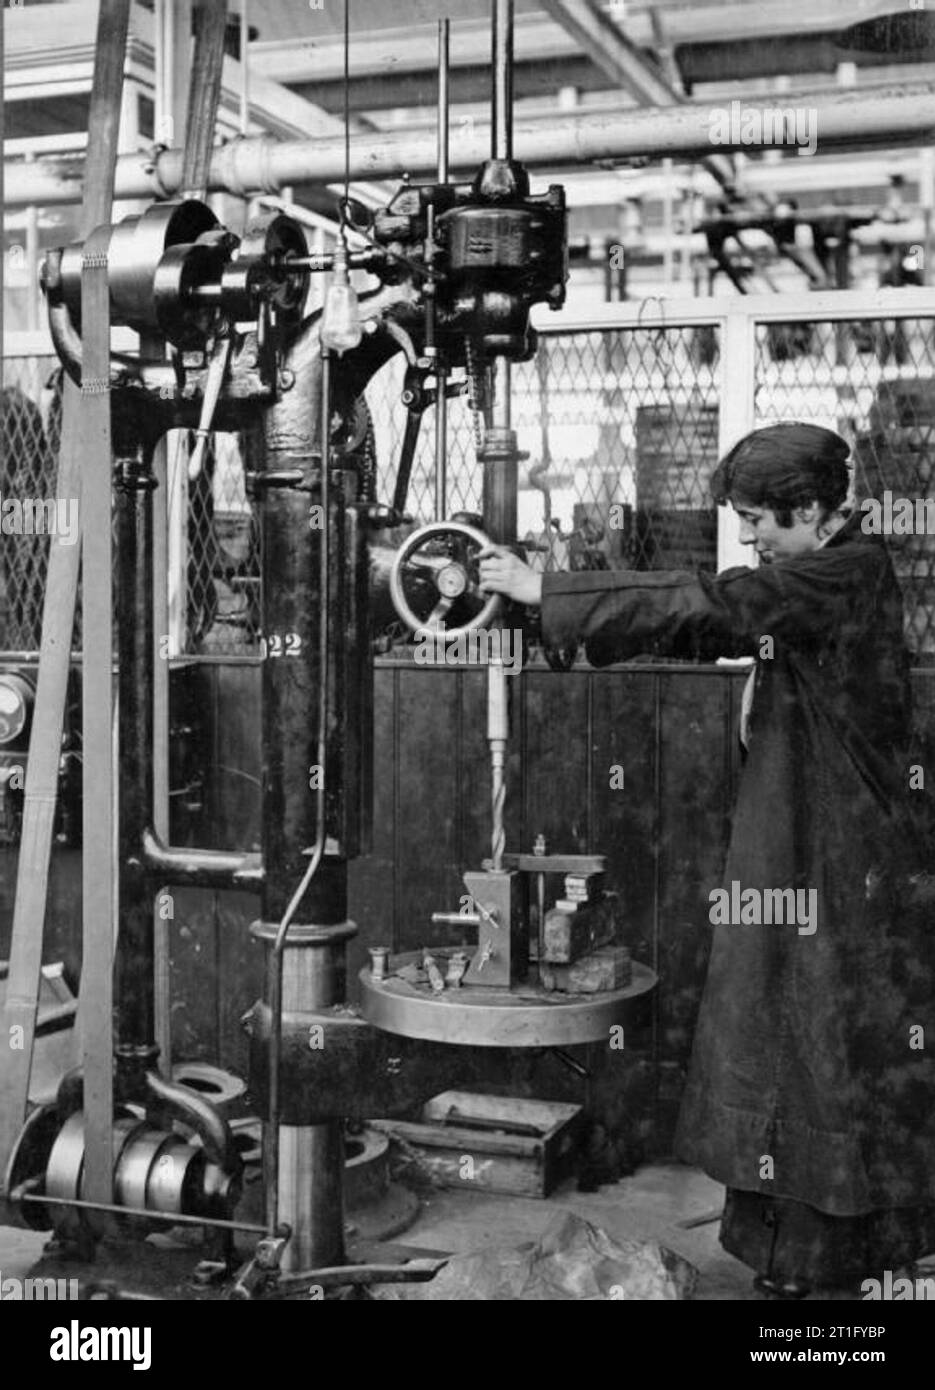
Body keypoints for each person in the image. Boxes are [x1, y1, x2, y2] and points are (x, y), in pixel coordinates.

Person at [478, 421, 935, 1297]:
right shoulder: (806, 577)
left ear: (812, 510)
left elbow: (715, 605)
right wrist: (558, 611)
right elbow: (704, 625)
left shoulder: (850, 571)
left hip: (838, 861)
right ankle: (783, 1257)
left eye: (761, 520)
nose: (752, 539)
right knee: (777, 1035)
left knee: (822, 1047)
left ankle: (829, 1267)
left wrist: (553, 588)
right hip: (799, 847)